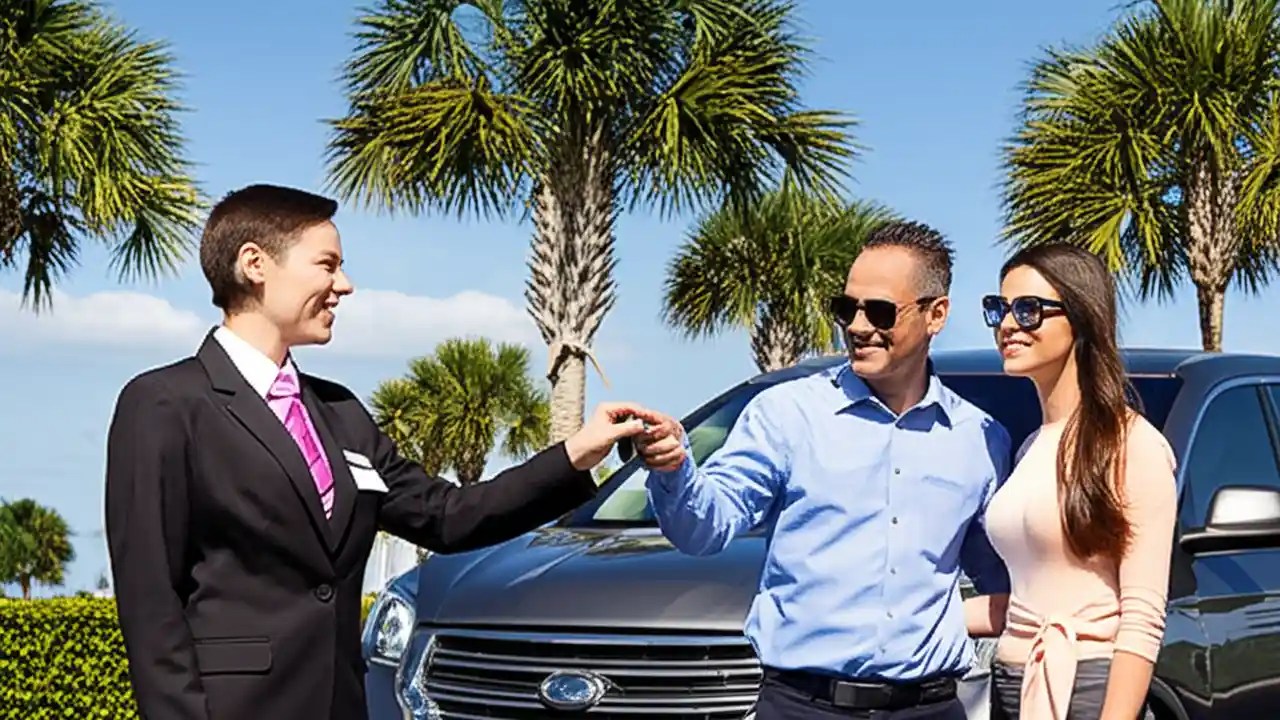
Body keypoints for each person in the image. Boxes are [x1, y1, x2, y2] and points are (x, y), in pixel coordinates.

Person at [103, 184, 651, 720]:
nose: (344, 285)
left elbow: (446, 516)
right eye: (327, 264)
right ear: (255, 263)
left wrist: (575, 454)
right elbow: (151, 605)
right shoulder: (164, 405)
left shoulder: (339, 412)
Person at [632, 221, 1013, 719]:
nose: (856, 326)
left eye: (878, 310)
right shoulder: (787, 414)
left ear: (936, 314)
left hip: (932, 707)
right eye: (846, 307)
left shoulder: (980, 439)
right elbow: (703, 529)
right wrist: (674, 468)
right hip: (801, 707)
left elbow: (1006, 577)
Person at [980, 243, 1175, 720]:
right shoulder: (1028, 448)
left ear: (1081, 317)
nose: (1008, 324)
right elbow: (1030, 595)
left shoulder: (1132, 444)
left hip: (1089, 692)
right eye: (999, 308)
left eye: (1027, 310)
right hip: (1012, 687)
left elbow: (1143, 617)